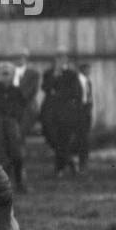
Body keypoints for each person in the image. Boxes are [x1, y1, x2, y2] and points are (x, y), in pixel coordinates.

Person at [40, 48, 85, 177]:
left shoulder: (71, 74)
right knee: (51, 138)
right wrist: (54, 77)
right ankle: (70, 161)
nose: (60, 60)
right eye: (58, 58)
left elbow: (75, 92)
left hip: (66, 113)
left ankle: (59, 168)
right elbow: (45, 87)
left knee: (63, 140)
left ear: (66, 59)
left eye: (62, 58)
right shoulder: (49, 73)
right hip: (50, 112)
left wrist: (58, 94)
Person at [0, 62, 29, 193]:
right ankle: (1, 184)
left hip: (12, 124)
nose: (5, 77)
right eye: (2, 74)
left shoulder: (17, 91)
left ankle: (19, 183)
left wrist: (17, 121)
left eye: (8, 74)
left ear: (12, 75)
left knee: (16, 154)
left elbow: (23, 107)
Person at [13, 50, 41, 136]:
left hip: (27, 105)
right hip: (12, 105)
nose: (19, 60)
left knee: (23, 127)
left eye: (21, 58)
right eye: (17, 58)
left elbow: (32, 90)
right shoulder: (10, 73)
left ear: (26, 60)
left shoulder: (33, 74)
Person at [78, 63, 94, 173]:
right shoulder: (77, 80)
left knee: (85, 138)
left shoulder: (88, 81)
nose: (89, 71)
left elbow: (89, 96)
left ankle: (84, 162)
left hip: (86, 111)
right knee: (81, 138)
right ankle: (80, 163)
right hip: (79, 111)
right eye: (87, 69)